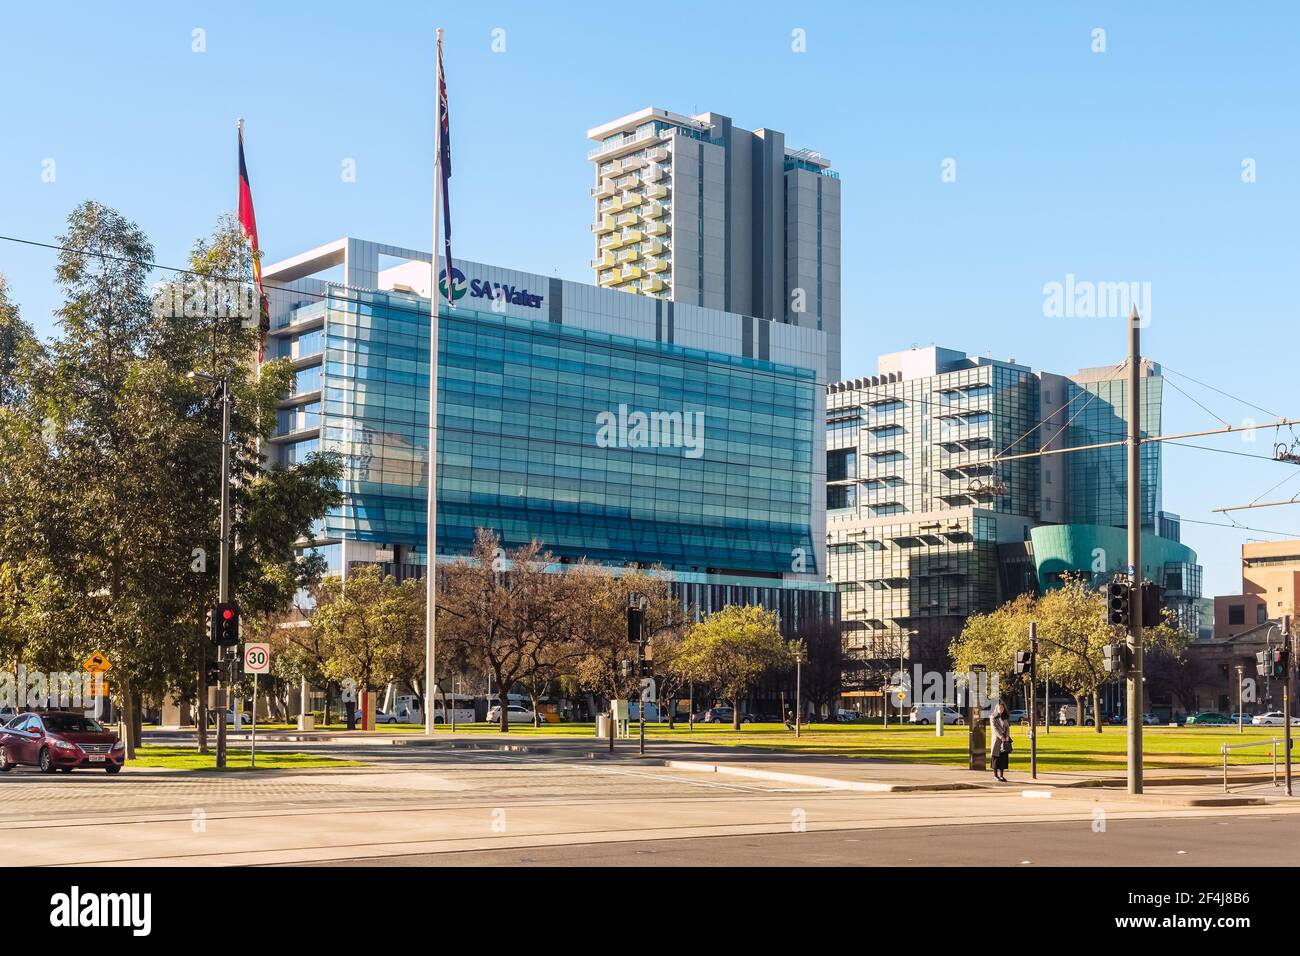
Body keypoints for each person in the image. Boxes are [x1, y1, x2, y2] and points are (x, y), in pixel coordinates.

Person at [990, 700, 1013, 782]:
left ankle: (1002, 775)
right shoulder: (993, 717)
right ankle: (995, 776)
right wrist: (1001, 737)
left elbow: (1007, 728)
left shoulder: (1005, 717)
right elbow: (994, 729)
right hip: (997, 740)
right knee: (996, 758)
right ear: (997, 708)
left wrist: (1007, 736)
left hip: (1005, 740)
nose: (1001, 709)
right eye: (999, 707)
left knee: (1003, 758)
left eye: (1002, 707)